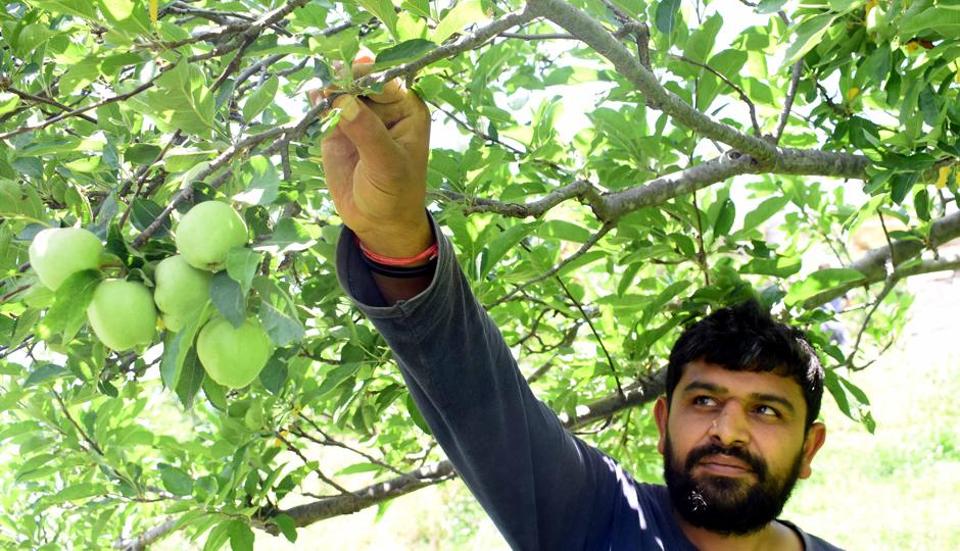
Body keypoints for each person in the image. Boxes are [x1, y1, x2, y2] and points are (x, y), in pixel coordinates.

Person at [313, 60, 842, 551]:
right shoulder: (598, 517)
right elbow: (477, 393)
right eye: (703, 401)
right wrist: (395, 236)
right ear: (661, 423)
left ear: (808, 449)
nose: (727, 431)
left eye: (767, 410)